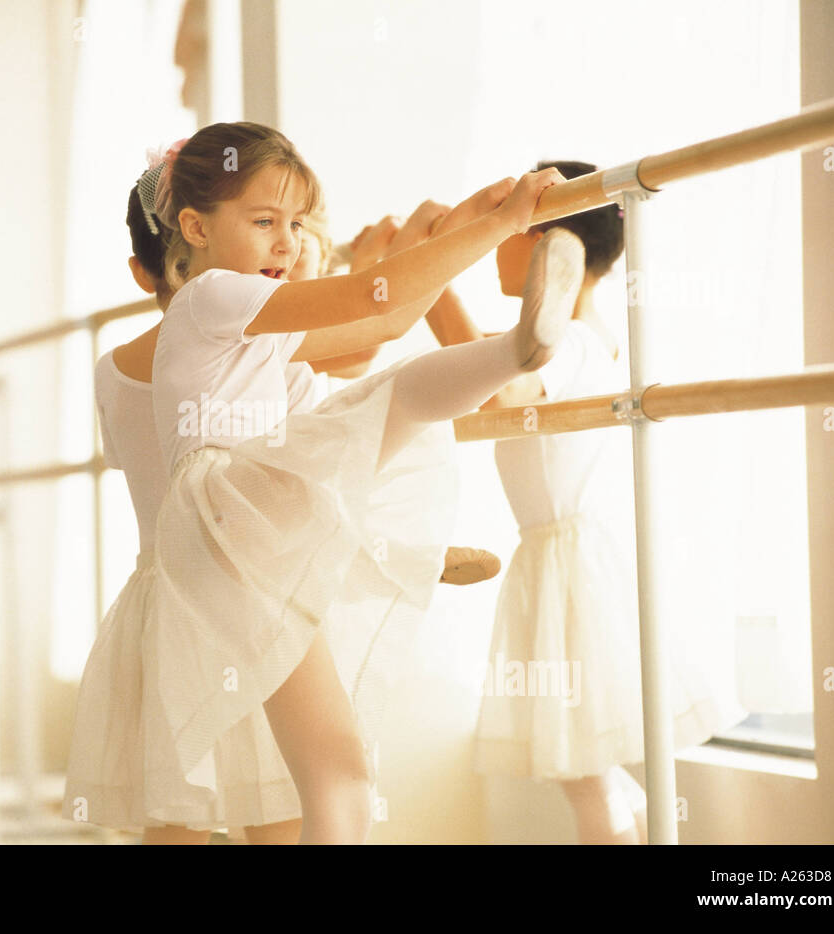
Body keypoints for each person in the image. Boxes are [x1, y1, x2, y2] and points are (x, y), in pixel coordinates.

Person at [135, 121, 580, 844]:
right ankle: (383, 544)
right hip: (236, 516)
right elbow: (377, 298)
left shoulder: (243, 320)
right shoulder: (215, 295)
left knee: (386, 397)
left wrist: (479, 213)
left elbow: (391, 318)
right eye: (264, 222)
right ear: (195, 226)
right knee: (337, 778)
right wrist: (505, 221)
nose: (286, 242)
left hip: (241, 519)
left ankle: (518, 350)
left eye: (296, 224)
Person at [433, 160, 745, 844]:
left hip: (569, 571)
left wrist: (429, 285)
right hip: (571, 559)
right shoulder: (588, 336)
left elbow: (498, 388)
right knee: (591, 772)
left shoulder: (568, 338)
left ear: (551, 245)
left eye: (512, 230)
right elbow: (495, 366)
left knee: (583, 777)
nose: (496, 246)